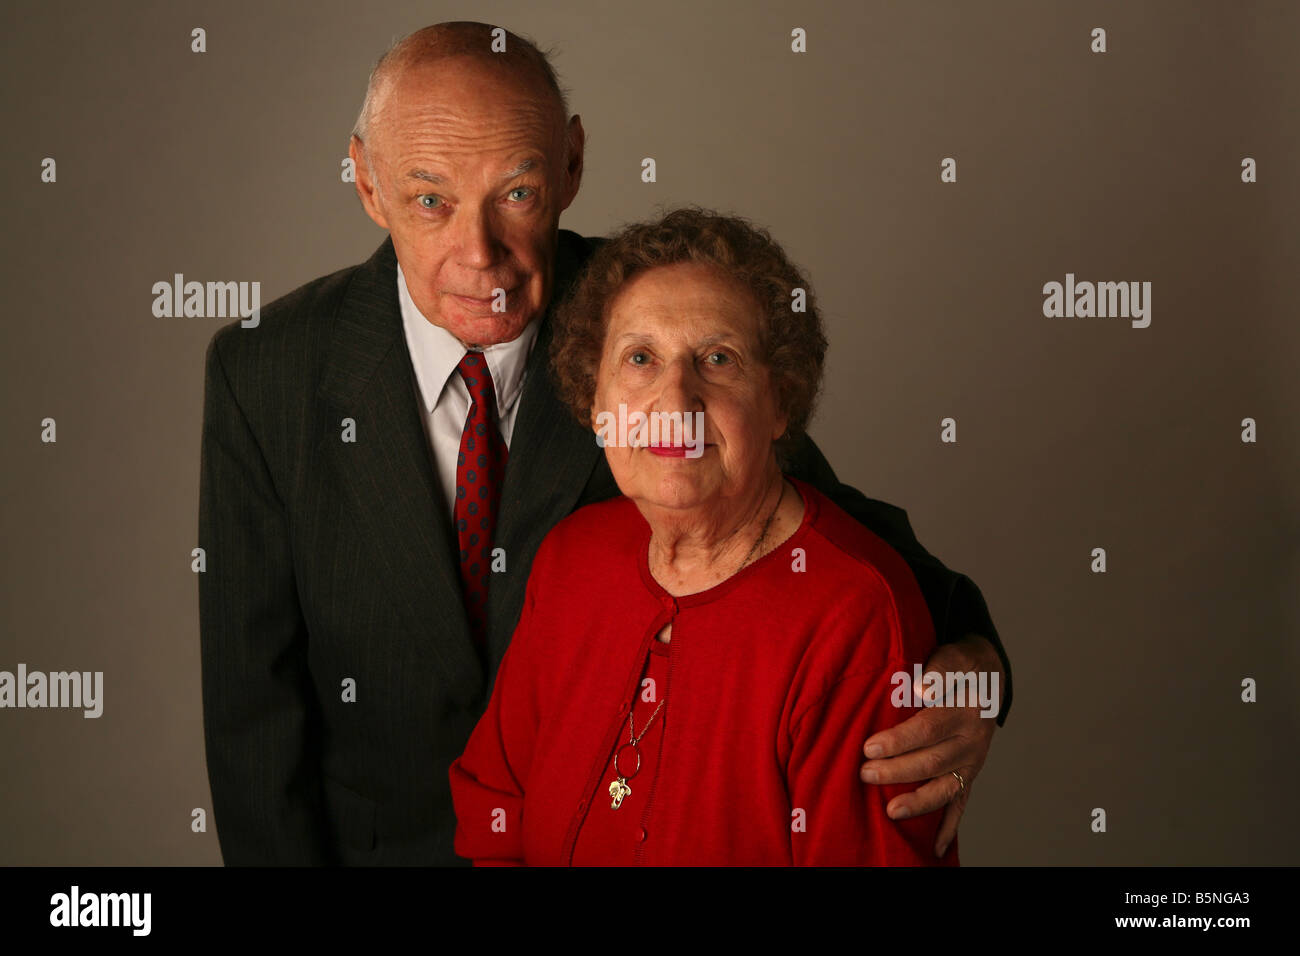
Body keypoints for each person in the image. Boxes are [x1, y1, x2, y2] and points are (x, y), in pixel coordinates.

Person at [198, 21, 1011, 866]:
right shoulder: (266, 371)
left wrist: (978, 680)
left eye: (517, 192)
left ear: (571, 168)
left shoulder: (648, 318)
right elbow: (252, 712)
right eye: (430, 199)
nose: (481, 253)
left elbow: (843, 549)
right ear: (367, 182)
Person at [449, 209, 960, 865]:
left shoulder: (852, 615)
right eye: (640, 358)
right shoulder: (572, 558)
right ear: (595, 397)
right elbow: (496, 803)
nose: (675, 400)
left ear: (779, 401)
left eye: (717, 359)